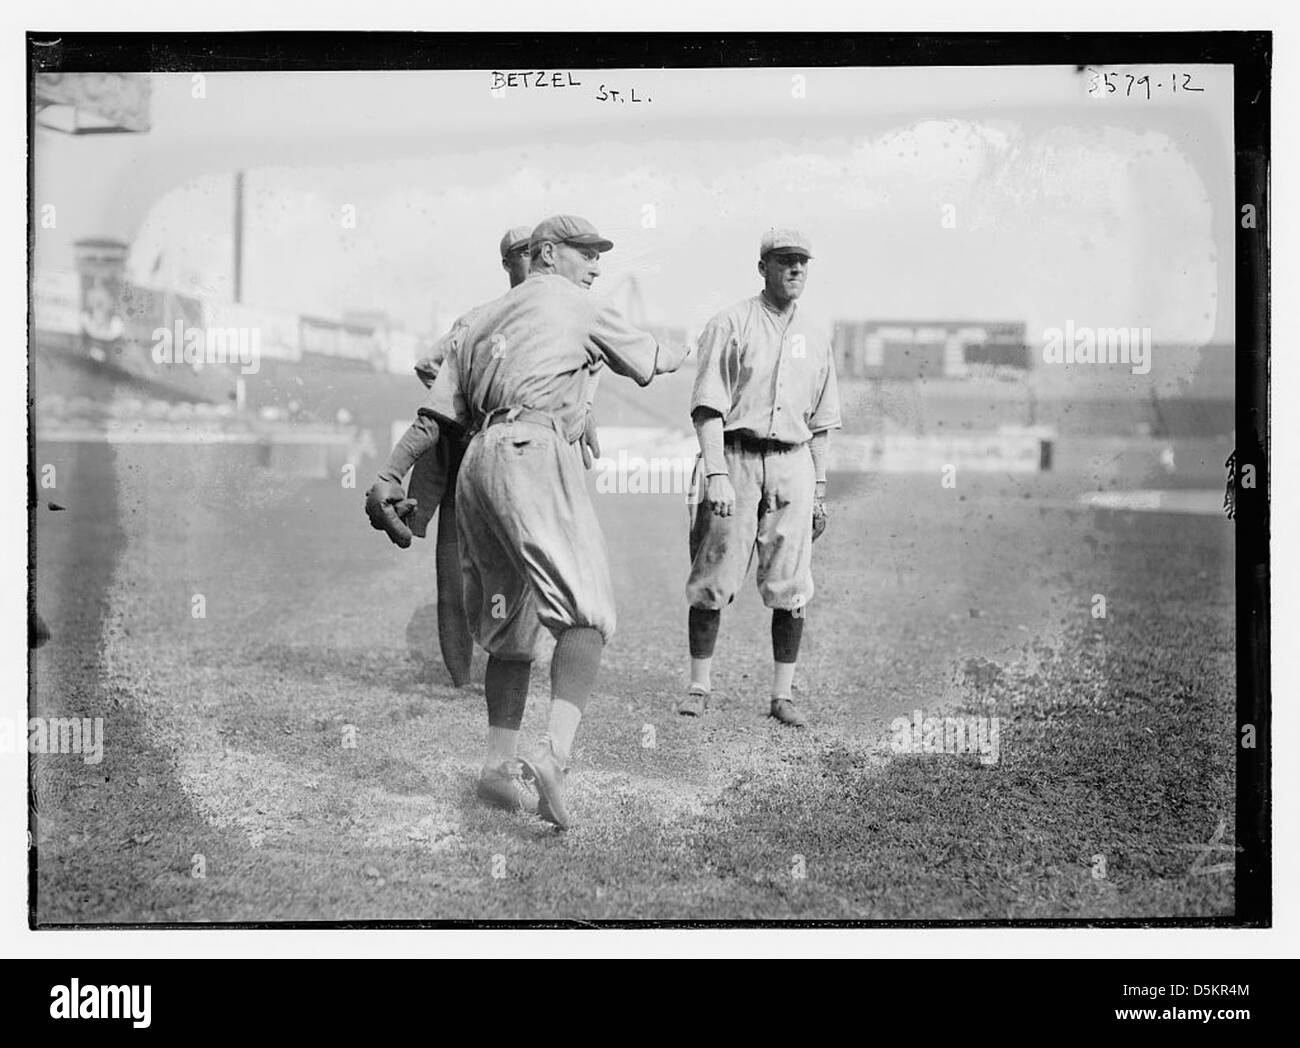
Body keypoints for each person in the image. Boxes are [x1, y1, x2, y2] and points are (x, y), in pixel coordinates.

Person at [366, 215, 687, 827]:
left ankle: (495, 768)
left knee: (509, 626)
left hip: (478, 463)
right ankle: (555, 754)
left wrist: (390, 474)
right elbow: (650, 359)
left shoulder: (480, 317)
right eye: (586, 252)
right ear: (547, 254)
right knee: (586, 613)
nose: (595, 265)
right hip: (534, 453)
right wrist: (688, 348)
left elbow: (436, 416)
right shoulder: (574, 302)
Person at [679, 228, 842, 728]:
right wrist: (718, 473)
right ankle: (699, 685)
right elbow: (707, 409)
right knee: (713, 577)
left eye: (802, 262)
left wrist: (818, 491)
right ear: (763, 267)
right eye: (784, 260)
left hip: (793, 462)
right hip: (737, 455)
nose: (795, 269)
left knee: (792, 584)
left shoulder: (815, 337)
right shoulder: (730, 323)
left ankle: (781, 695)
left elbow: (822, 425)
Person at [403, 226, 536, 687]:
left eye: (538, 252)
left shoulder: (555, 317)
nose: (533, 259)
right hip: (473, 453)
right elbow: (428, 364)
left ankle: (514, 660)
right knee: (455, 569)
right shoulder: (481, 317)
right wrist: (466, 404)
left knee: (527, 560)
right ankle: (461, 674)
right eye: (522, 254)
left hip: (528, 458)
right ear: (507, 264)